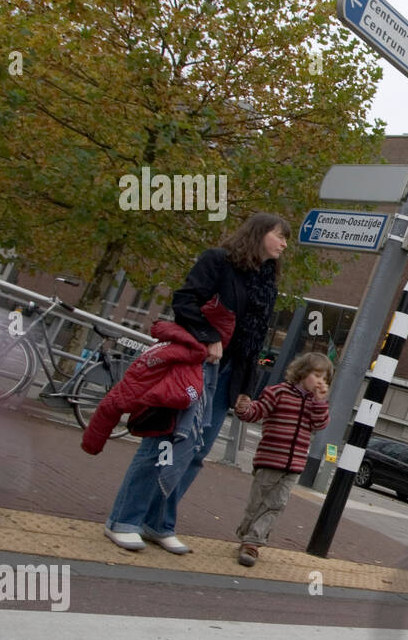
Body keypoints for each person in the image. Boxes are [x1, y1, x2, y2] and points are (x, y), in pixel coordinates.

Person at [102, 214, 290, 554]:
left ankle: (158, 524)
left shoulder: (266, 280)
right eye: (280, 235)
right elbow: (184, 301)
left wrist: (247, 386)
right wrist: (208, 337)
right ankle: (124, 520)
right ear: (260, 234)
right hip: (198, 366)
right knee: (166, 441)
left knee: (197, 452)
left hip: (230, 374)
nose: (284, 243)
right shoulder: (217, 260)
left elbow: (255, 338)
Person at [231, 352, 332, 566]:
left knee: (276, 504)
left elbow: (319, 425)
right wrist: (244, 409)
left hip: (294, 465)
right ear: (302, 373)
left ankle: (252, 543)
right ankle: (246, 533)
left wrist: (321, 403)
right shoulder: (277, 392)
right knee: (257, 504)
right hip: (270, 459)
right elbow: (257, 411)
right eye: (316, 375)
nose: (320, 382)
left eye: (325, 378)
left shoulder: (316, 404)